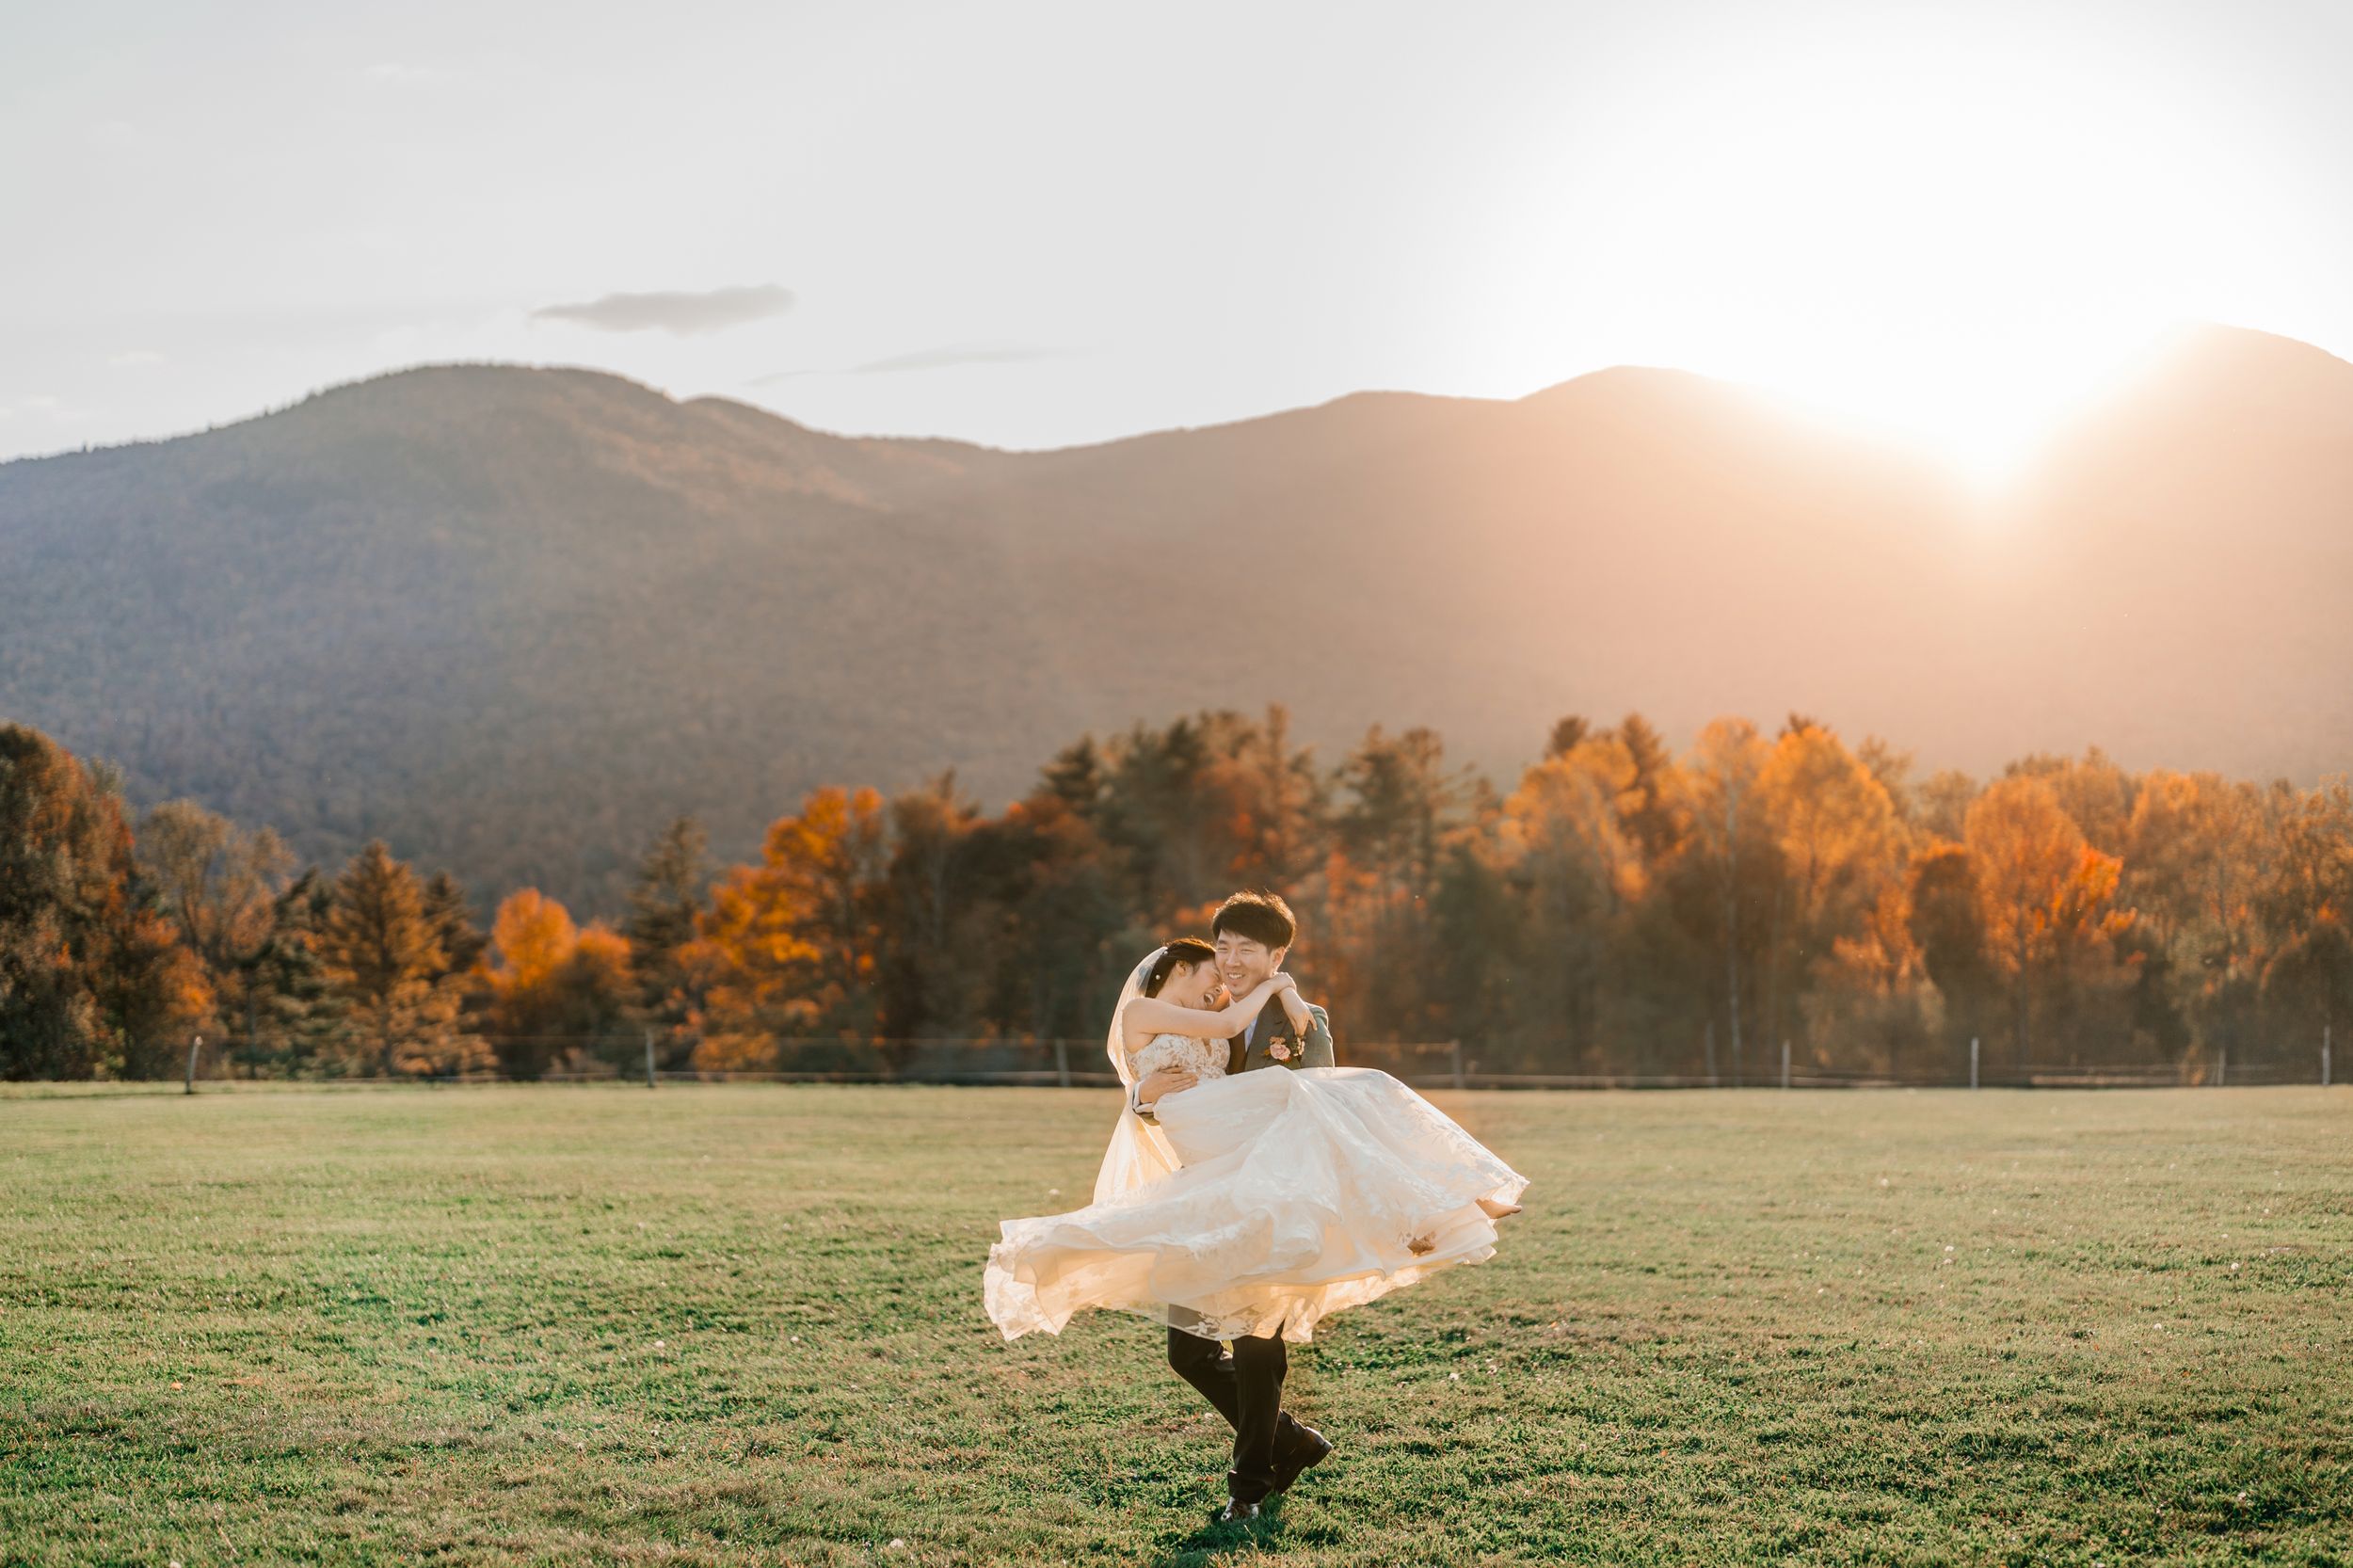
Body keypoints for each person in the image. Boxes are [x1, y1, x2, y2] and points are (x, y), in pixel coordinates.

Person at [983, 891, 1528, 1525]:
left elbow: (1321, 1094)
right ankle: (1291, 1440)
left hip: (1276, 1199)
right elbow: (1154, 1085)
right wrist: (1140, 1095)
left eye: (1247, 949)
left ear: (1277, 956)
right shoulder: (1197, 1010)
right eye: (1224, 947)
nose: (1232, 961)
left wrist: (1288, 1002)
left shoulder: (1302, 1017)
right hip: (1208, 1199)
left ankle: (1248, 1489)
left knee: (1258, 1347)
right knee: (1188, 1354)